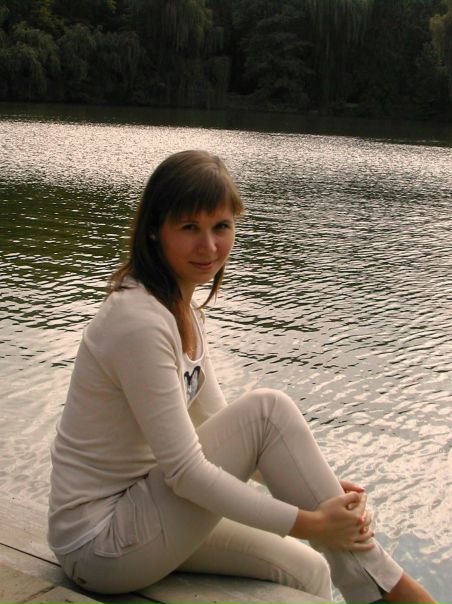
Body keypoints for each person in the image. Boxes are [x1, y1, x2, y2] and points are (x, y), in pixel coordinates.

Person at [48, 150, 437, 604]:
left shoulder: (183, 311)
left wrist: (319, 493)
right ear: (155, 229)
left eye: (221, 226)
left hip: (146, 511)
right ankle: (386, 586)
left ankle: (370, 585)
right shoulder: (139, 321)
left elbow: (227, 433)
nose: (209, 247)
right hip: (99, 543)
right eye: (189, 227)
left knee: (310, 570)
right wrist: (312, 522)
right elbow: (189, 472)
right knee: (268, 411)